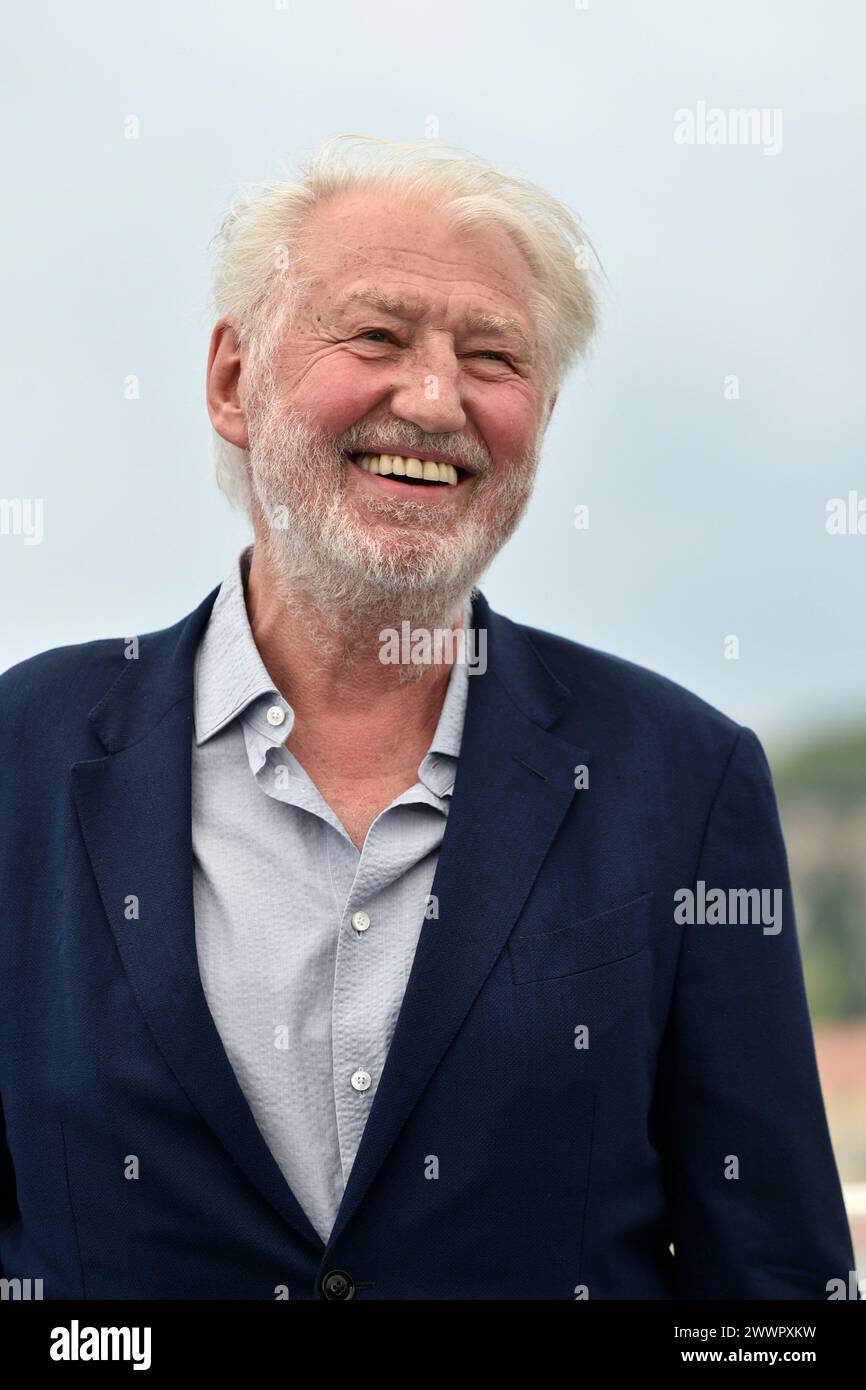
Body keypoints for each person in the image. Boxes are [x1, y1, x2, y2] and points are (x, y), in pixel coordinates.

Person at [0, 135, 854, 1300]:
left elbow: (770, 1287)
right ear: (230, 381)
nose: (436, 397)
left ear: (538, 420)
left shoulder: (682, 778)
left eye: (492, 356)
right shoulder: (25, 753)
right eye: (376, 335)